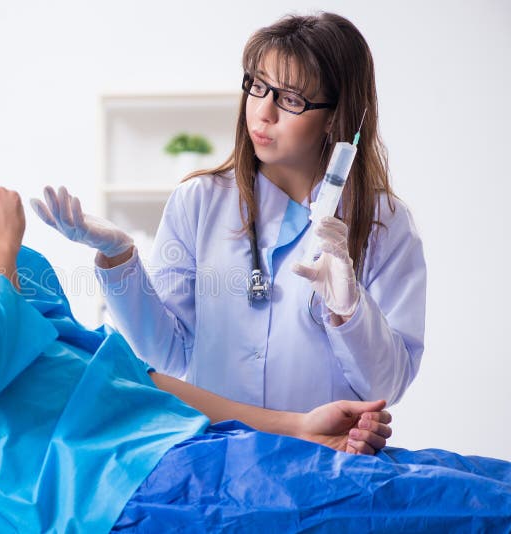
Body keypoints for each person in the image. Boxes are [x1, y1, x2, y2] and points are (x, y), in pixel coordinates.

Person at [0, 20, 510, 534]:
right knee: (458, 510)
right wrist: (36, 251)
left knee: (469, 481)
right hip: (107, 484)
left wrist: (294, 423)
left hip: (180, 442)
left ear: (334, 118)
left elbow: (119, 366)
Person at [32, 12, 426, 413]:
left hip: (324, 459)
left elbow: (387, 385)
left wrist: (350, 311)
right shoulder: (199, 201)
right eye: (258, 87)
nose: (263, 113)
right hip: (217, 454)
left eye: (290, 99)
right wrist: (118, 257)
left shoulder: (384, 222)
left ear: (334, 117)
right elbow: (168, 353)